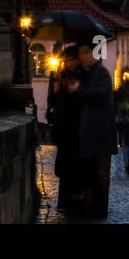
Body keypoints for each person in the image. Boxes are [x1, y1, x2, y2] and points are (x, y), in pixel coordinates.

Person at [67, 39, 116, 218]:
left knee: (98, 173)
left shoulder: (101, 72)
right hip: (91, 131)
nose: (83, 57)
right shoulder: (89, 73)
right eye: (80, 54)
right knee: (91, 172)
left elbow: (99, 93)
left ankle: (100, 208)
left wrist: (78, 90)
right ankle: (93, 205)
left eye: (86, 53)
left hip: (100, 132)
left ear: (92, 53)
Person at [47, 46, 81, 210]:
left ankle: (71, 201)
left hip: (74, 127)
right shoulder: (59, 76)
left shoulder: (80, 77)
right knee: (64, 166)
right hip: (62, 126)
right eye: (66, 60)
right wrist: (55, 89)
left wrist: (75, 89)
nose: (68, 63)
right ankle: (64, 201)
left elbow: (79, 101)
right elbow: (52, 101)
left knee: (72, 165)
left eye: (71, 59)